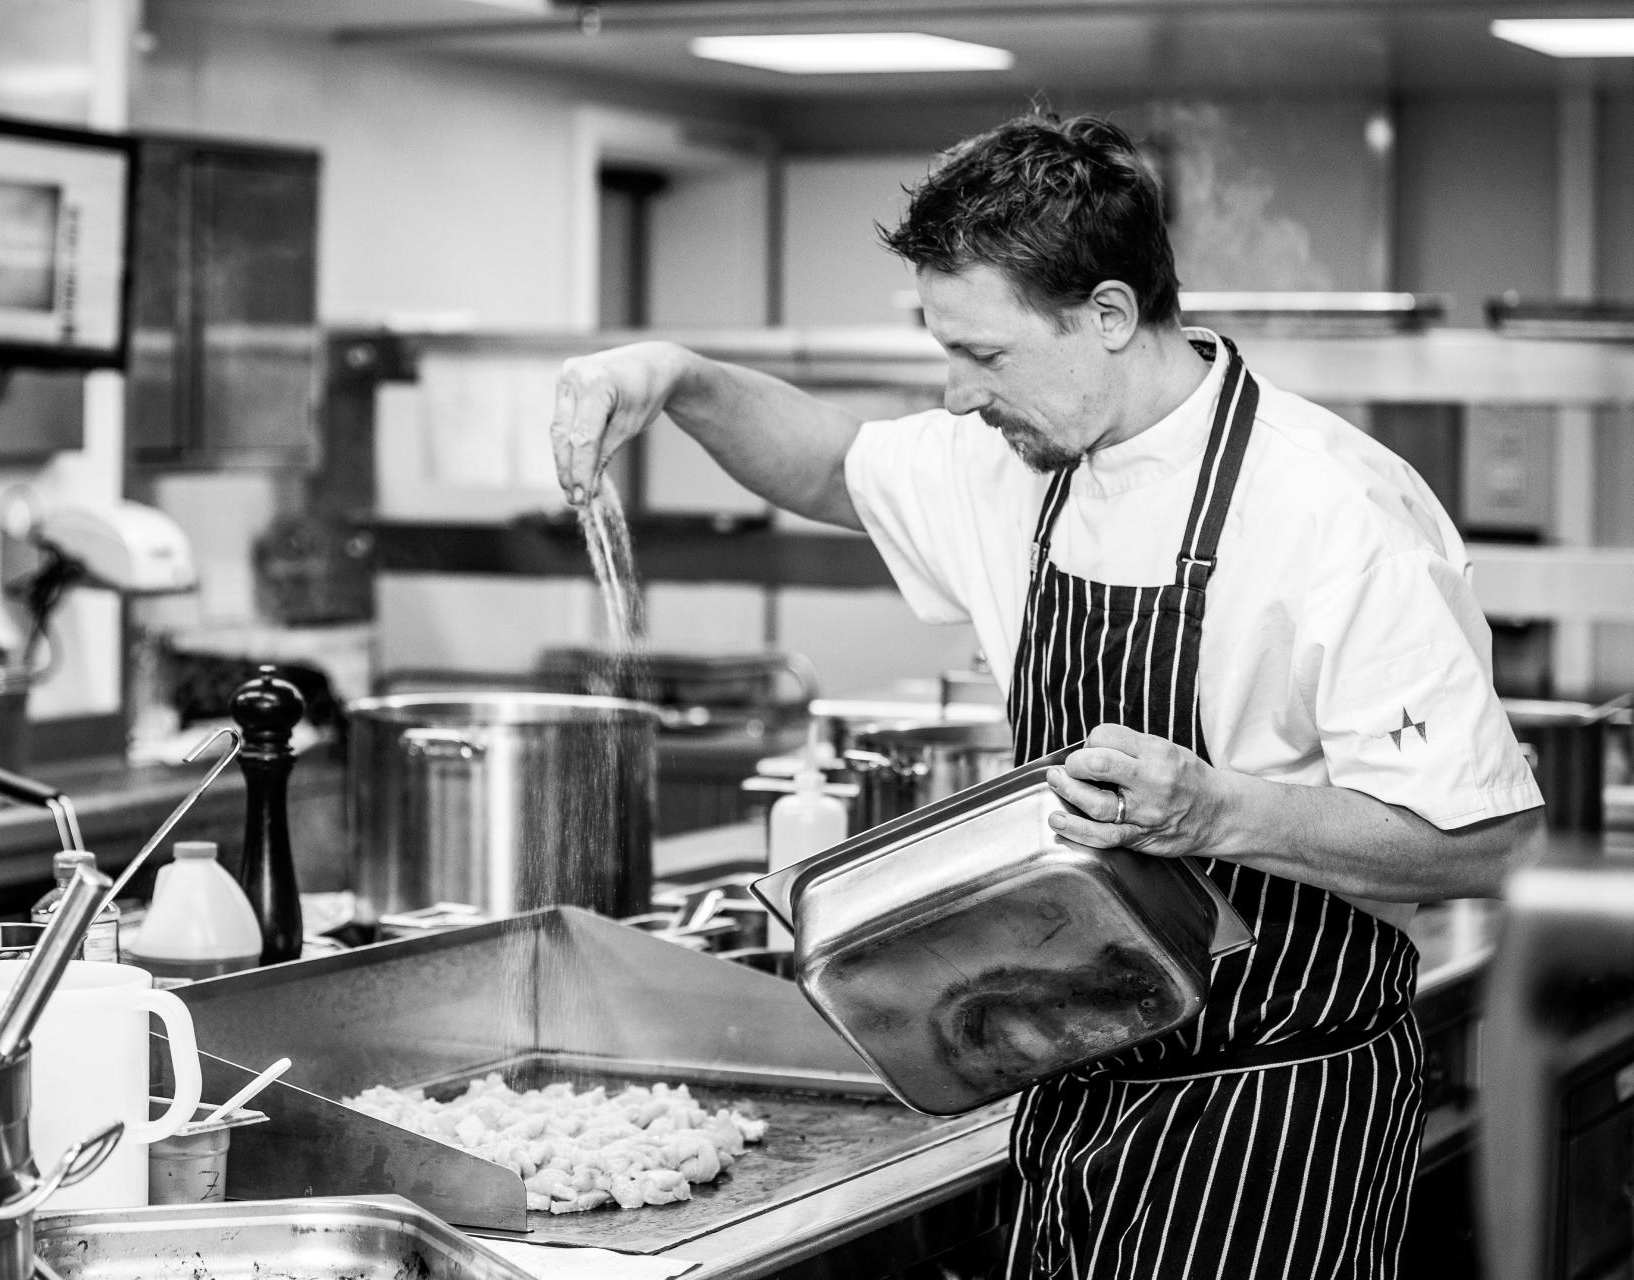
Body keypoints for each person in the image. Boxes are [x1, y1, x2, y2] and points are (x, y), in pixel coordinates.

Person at [551, 114, 1544, 1278]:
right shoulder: (1014, 460)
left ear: (1109, 316)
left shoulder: (1336, 512)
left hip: (1276, 1112)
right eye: (944, 350)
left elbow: (1487, 839)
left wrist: (1215, 810)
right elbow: (831, 465)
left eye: (985, 355)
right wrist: (676, 377)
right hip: (1066, 1087)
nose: (958, 394)